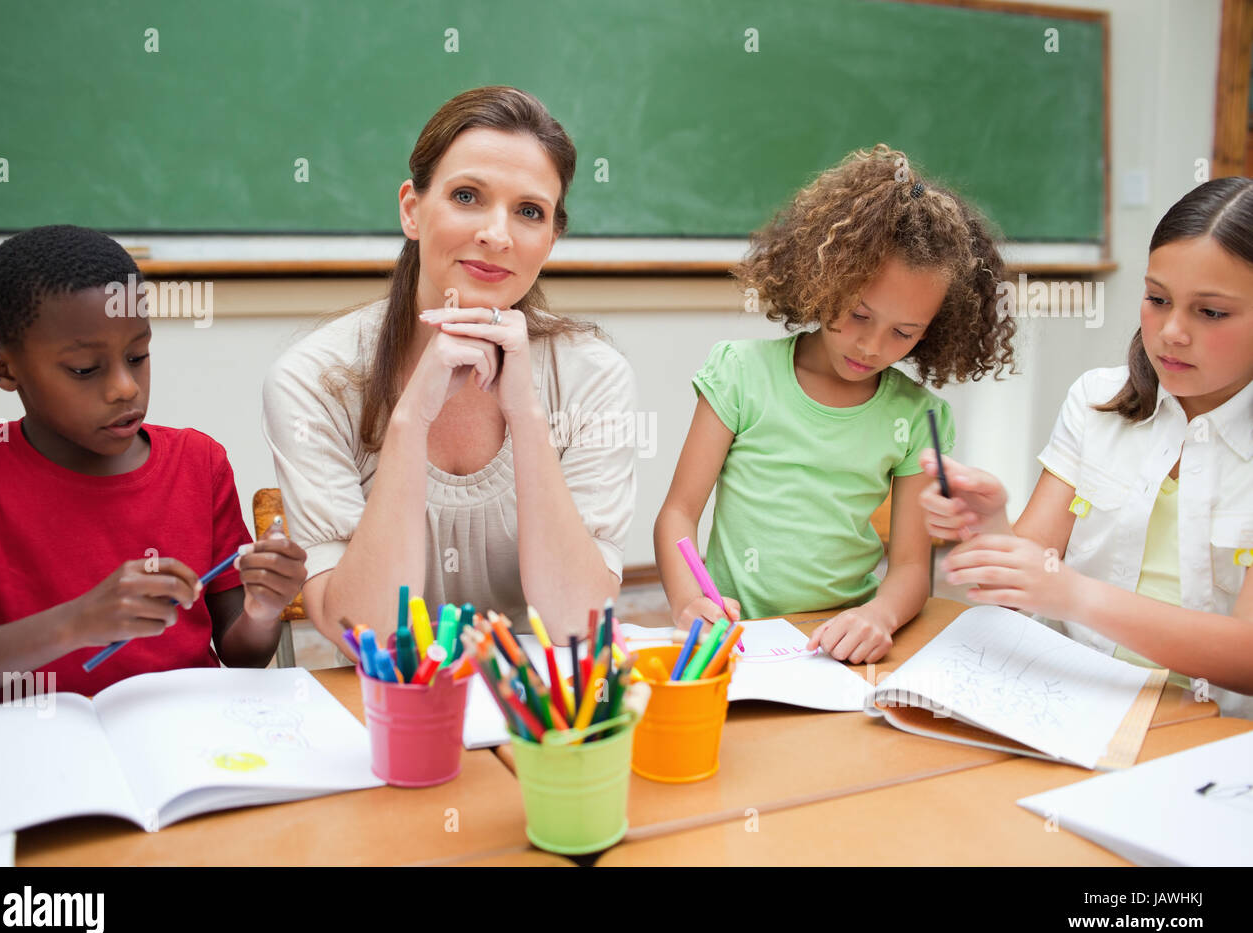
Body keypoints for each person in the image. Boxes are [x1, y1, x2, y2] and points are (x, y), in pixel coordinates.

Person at [263, 87, 637, 654]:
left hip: (535, 713)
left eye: (529, 211)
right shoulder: (312, 380)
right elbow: (369, 635)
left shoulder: (594, 376)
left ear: (551, 238)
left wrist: (526, 414)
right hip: (389, 710)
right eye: (467, 196)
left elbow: (574, 625)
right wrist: (412, 417)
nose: (497, 234)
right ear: (412, 209)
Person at [655, 145, 1016, 664]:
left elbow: (912, 569)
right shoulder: (740, 373)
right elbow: (677, 514)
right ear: (826, 280)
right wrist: (690, 601)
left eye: (904, 333)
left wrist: (879, 616)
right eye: (858, 314)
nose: (871, 346)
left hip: (838, 644)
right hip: (737, 633)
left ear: (936, 331)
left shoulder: (918, 417)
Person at [922, 177, 1253, 717]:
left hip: (1210, 739)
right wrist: (990, 528)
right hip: (1071, 707)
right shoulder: (1096, 400)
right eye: (1157, 299)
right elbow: (1018, 591)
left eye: (1210, 312)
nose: (1172, 331)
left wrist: (1072, 594)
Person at [0, 225, 307, 697]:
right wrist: (75, 624)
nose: (125, 387)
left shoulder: (198, 463)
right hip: (24, 750)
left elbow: (240, 653)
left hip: (180, 743)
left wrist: (263, 612)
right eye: (84, 369)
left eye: (137, 355)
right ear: (4, 369)